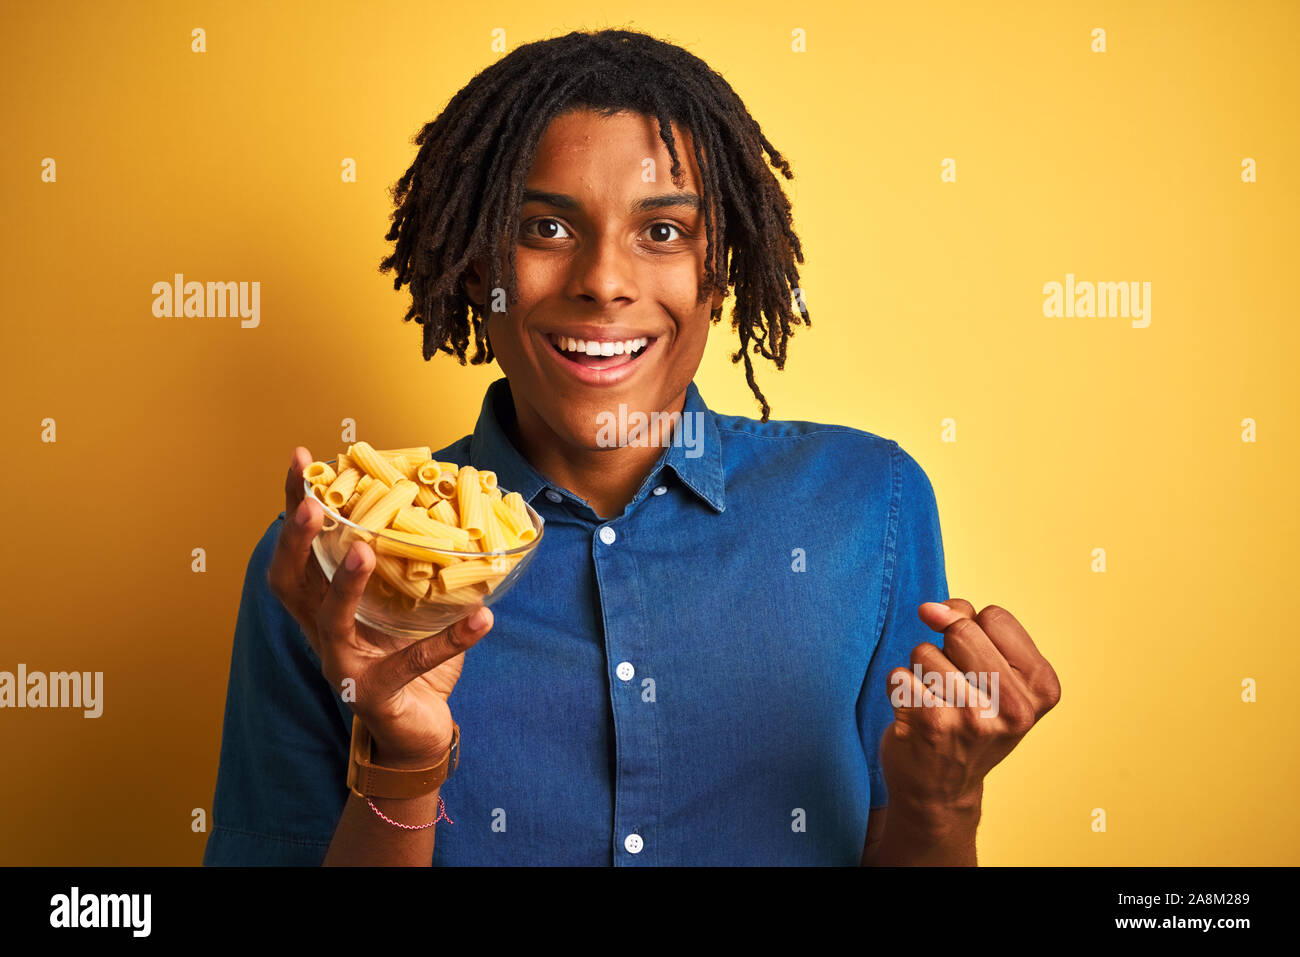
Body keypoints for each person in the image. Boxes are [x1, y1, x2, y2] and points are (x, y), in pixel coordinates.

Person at [203, 28, 1060, 867]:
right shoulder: (335, 564)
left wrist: (941, 805)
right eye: (544, 227)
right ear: (474, 266)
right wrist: (402, 761)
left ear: (719, 268)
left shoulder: (870, 507)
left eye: (661, 232)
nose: (603, 281)